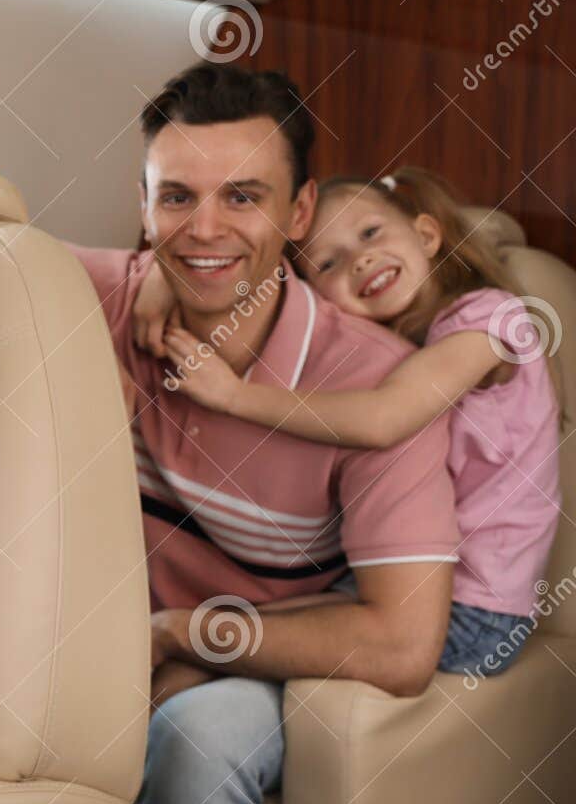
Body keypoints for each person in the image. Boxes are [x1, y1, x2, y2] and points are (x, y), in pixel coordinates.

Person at [65, 62, 462, 804]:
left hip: (269, 655)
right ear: (142, 203)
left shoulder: (376, 385)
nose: (204, 230)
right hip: (98, 646)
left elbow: (404, 644)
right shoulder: (103, 292)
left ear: (298, 212)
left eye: (242, 196)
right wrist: (153, 276)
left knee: (200, 735)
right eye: (177, 199)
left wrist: (180, 640)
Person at [134, 165, 561, 678]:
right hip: (423, 587)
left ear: (427, 235)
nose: (361, 261)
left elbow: (385, 418)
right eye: (329, 262)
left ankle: (171, 643)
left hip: (475, 613)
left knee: (222, 638)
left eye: (371, 234)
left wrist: (235, 396)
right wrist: (164, 277)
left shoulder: (489, 318)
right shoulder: (396, 346)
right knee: (222, 638)